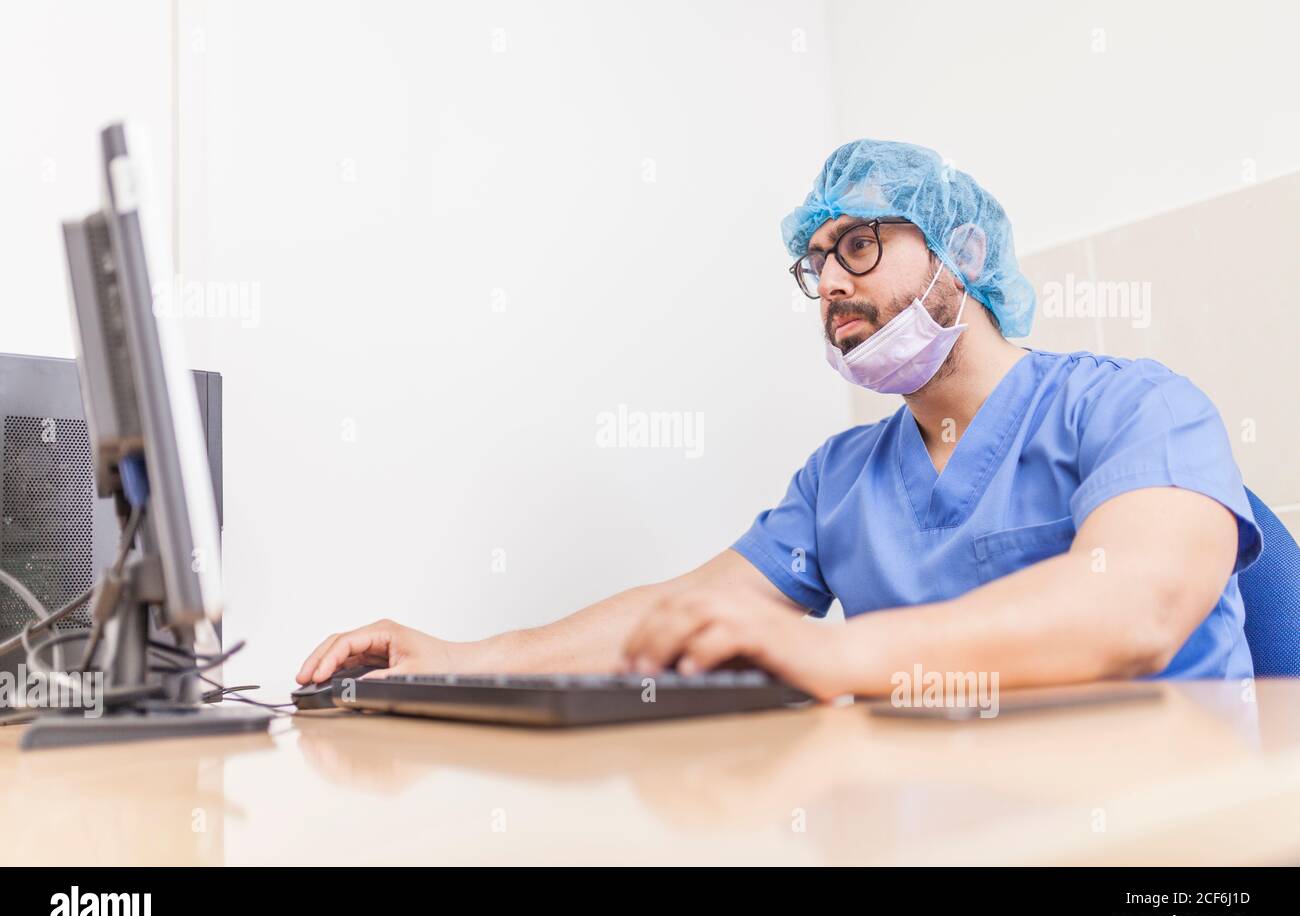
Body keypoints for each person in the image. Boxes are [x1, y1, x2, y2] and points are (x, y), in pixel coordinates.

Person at [296, 139, 1261, 702]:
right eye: (815, 262)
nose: (831, 280)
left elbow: (1133, 610)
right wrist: (457, 662)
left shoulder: (1139, 407)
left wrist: (833, 654)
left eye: (860, 244)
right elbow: (680, 612)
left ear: (962, 253)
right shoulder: (843, 478)